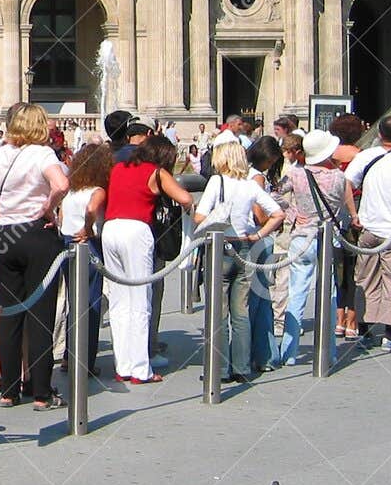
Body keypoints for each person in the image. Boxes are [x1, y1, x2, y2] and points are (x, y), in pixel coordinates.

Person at [0, 103, 69, 410]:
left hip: (4, 234)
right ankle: (41, 391)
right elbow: (62, 184)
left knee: (9, 311)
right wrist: (48, 207)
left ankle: (8, 389)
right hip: (37, 232)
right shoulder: (41, 154)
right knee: (41, 313)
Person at [102, 134, 193, 384]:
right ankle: (141, 368)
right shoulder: (156, 171)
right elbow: (185, 198)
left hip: (111, 229)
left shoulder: (119, 167)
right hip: (136, 230)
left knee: (119, 300)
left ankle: (123, 365)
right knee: (141, 299)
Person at [195, 140, 283, 383]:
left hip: (221, 246)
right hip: (245, 246)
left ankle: (219, 368)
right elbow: (278, 214)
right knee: (241, 311)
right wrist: (257, 235)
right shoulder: (250, 185)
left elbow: (200, 216)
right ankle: (242, 367)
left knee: (219, 312)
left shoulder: (217, 181)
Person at [343, 115, 391, 351]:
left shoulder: (366, 156)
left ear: (379, 134)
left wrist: (353, 213)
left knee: (365, 278)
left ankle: (364, 329)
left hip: (369, 226)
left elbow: (346, 183)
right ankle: (389, 332)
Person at [272, 128, 345, 367]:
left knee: (296, 293)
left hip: (301, 236)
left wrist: (293, 212)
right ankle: (329, 350)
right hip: (327, 235)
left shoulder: (295, 174)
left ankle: (289, 352)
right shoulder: (338, 177)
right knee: (330, 294)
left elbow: (275, 194)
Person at [57, 143, 110, 379]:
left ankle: (70, 355)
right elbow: (92, 209)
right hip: (88, 246)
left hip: (67, 244)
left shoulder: (71, 191)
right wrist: (88, 227)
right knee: (91, 303)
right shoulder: (97, 190)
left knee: (74, 302)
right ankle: (86, 359)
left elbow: (60, 217)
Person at [246, 135, 285, 372]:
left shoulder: (244, 172)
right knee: (261, 297)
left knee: (255, 297)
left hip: (248, 239)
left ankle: (260, 352)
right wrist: (270, 221)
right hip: (259, 238)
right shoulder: (257, 177)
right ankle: (264, 353)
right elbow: (258, 209)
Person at [328, 114, 367, 339]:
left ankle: (339, 319)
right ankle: (353, 321)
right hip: (356, 213)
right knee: (355, 269)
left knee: (339, 269)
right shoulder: (360, 157)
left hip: (333, 215)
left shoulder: (329, 157)